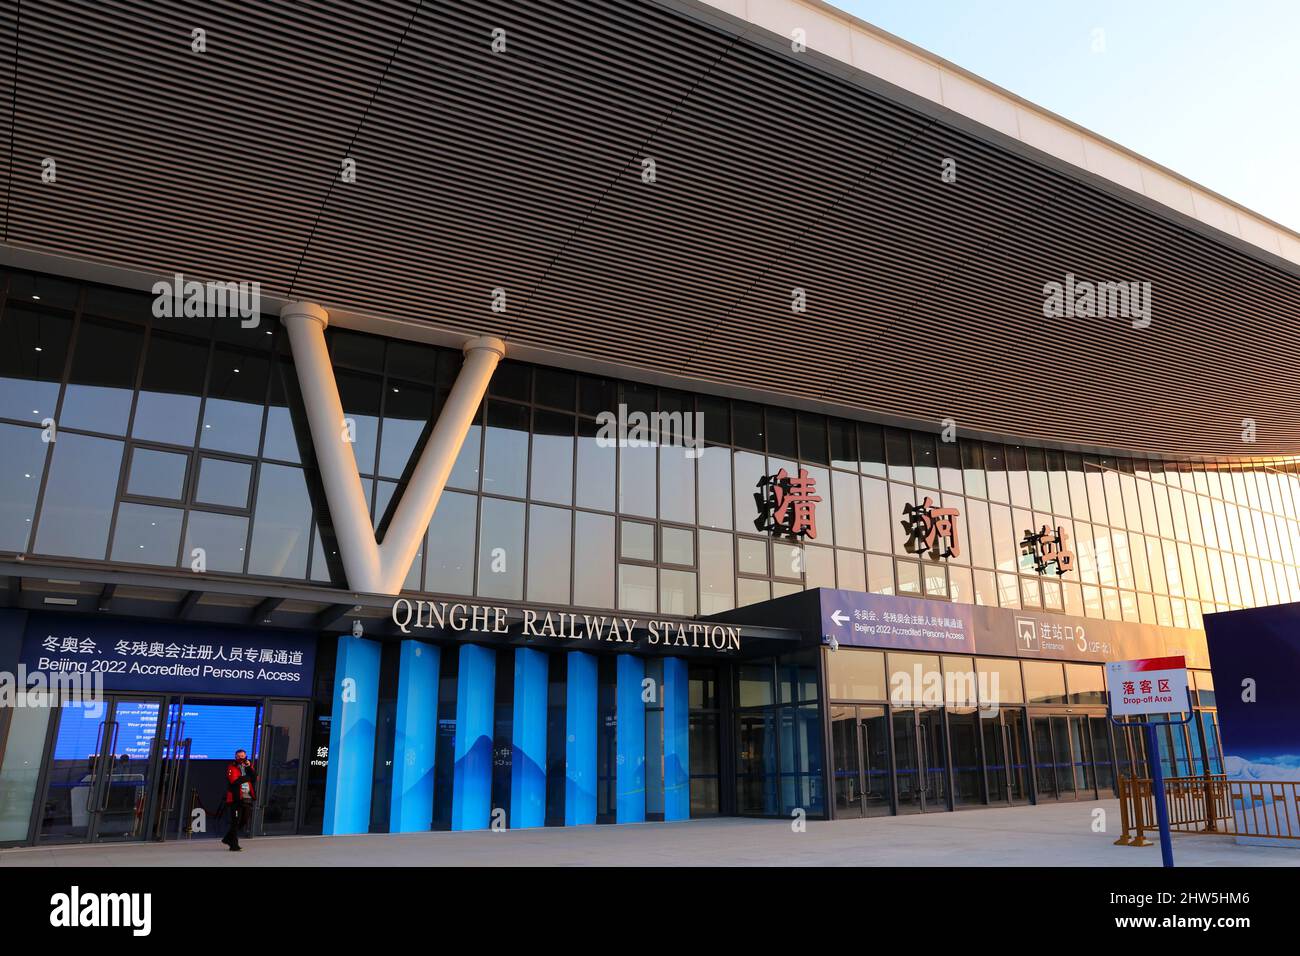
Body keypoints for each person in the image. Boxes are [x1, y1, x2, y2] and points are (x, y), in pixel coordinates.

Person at [222, 749, 257, 851]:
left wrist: (249, 767)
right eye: (239, 756)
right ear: (235, 757)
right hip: (236, 798)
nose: (241, 758)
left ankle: (227, 838)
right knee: (235, 822)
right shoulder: (231, 767)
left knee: (244, 820)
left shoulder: (248, 766)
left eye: (243, 756)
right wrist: (248, 777)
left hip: (247, 797)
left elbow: (255, 778)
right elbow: (234, 781)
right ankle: (234, 845)